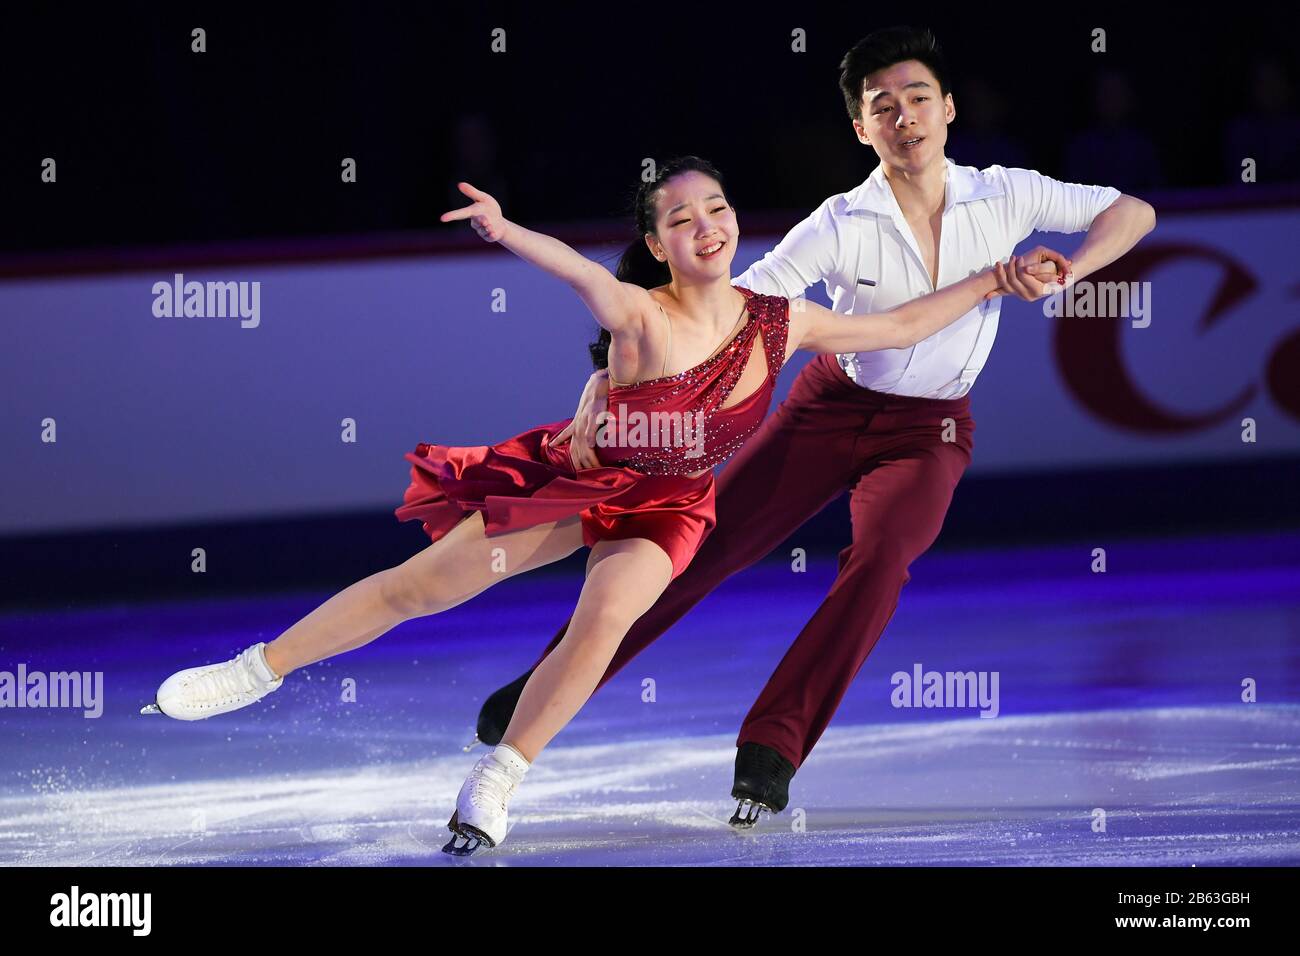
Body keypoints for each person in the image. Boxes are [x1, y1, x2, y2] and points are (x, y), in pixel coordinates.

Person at [141, 155, 1064, 856]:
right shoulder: (637, 312)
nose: (706, 226)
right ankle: (257, 668)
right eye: (681, 218)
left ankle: (496, 780)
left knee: (602, 624)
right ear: (658, 241)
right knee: (418, 589)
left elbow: (897, 326)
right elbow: (575, 272)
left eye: (717, 209)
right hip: (580, 482)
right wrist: (504, 230)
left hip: (672, 509)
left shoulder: (781, 321)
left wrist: (994, 279)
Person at [472, 25, 1157, 829]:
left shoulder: (1006, 193)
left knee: (882, 563)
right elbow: (712, 315)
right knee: (697, 546)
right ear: (861, 128)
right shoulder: (839, 222)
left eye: (917, 99)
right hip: (827, 407)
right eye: (883, 106)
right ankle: (550, 680)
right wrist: (603, 373)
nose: (904, 117)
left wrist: (1072, 270)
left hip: (930, 432)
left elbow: (1132, 210)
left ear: (949, 110)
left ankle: (774, 746)